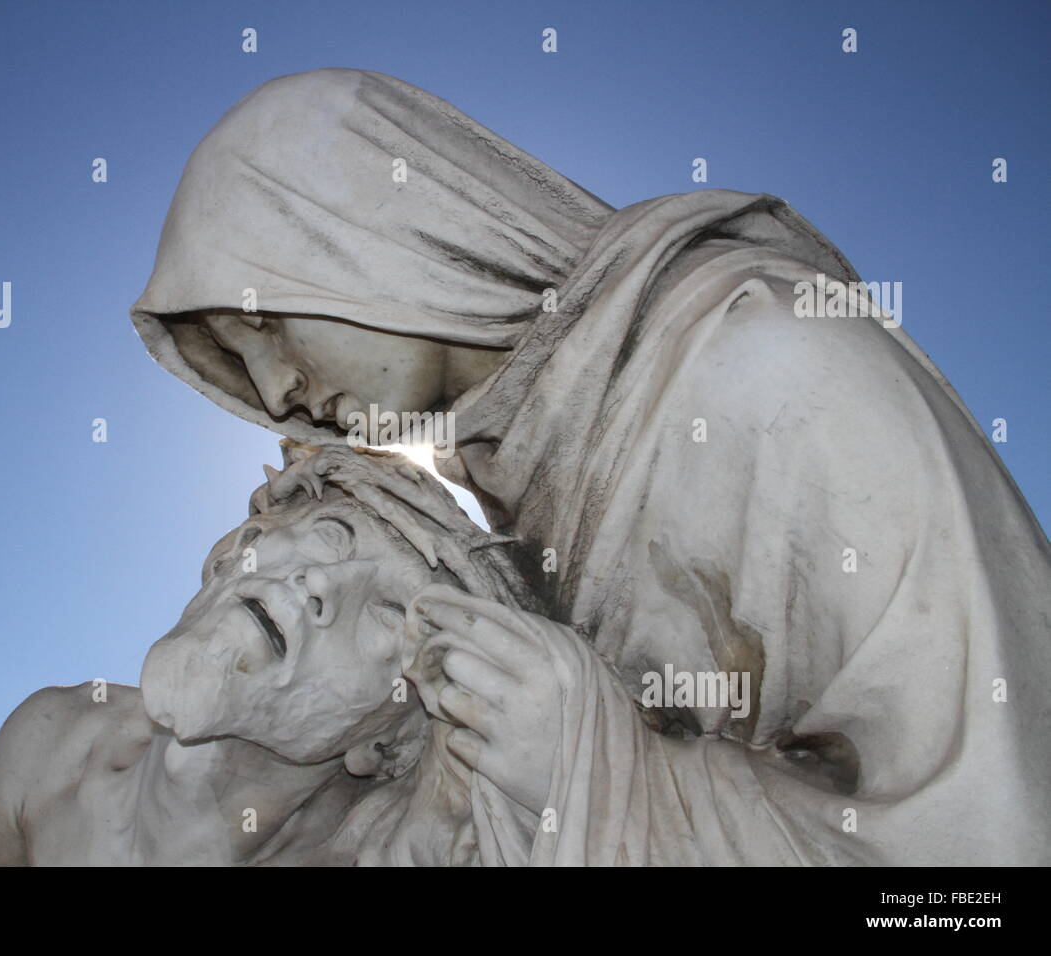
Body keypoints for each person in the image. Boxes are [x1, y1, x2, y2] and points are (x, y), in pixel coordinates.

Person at [128, 68, 1051, 864]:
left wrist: (597, 762)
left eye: (261, 326)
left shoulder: (766, 370)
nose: (277, 388)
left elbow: (981, 872)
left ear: (365, 236)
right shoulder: (521, 483)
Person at [0, 443, 533, 865]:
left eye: (389, 614)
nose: (322, 582)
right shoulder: (52, 736)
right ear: (240, 549)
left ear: (387, 744)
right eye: (334, 533)